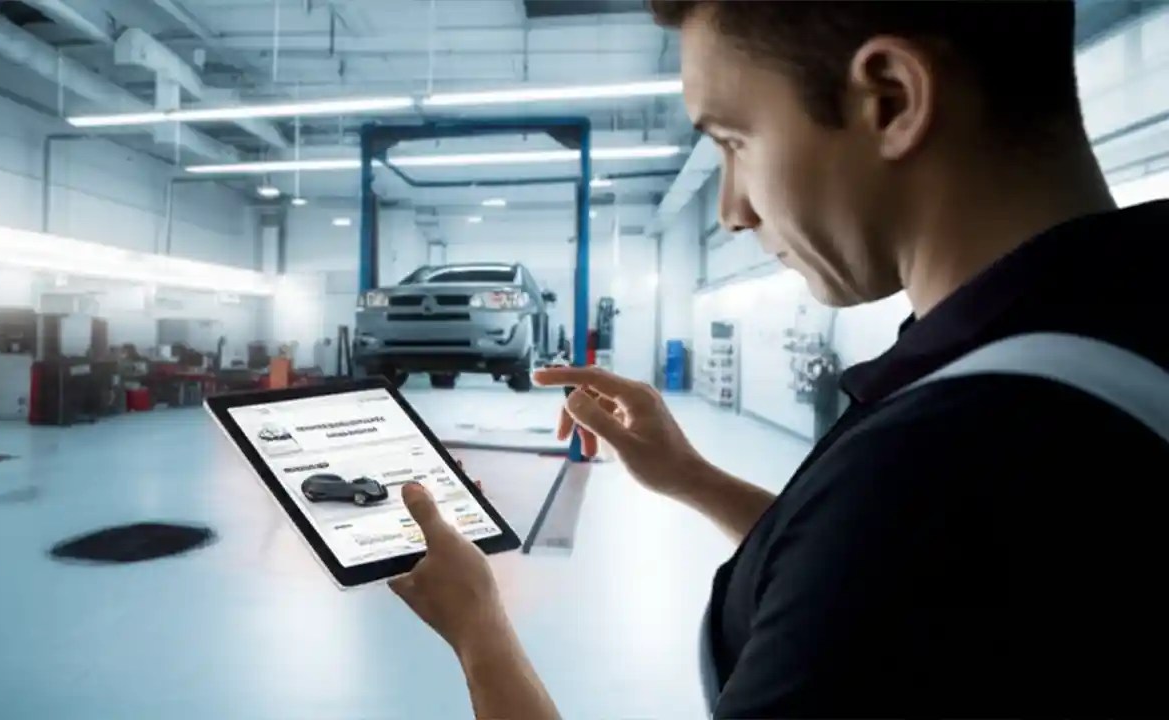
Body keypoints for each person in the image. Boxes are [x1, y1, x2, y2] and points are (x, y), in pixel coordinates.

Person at [387, 1, 1169, 717]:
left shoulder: (942, 463)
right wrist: (691, 477)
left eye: (734, 141)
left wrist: (479, 627)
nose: (733, 210)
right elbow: (897, 593)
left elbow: (898, 546)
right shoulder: (1114, 316)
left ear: (890, 99)